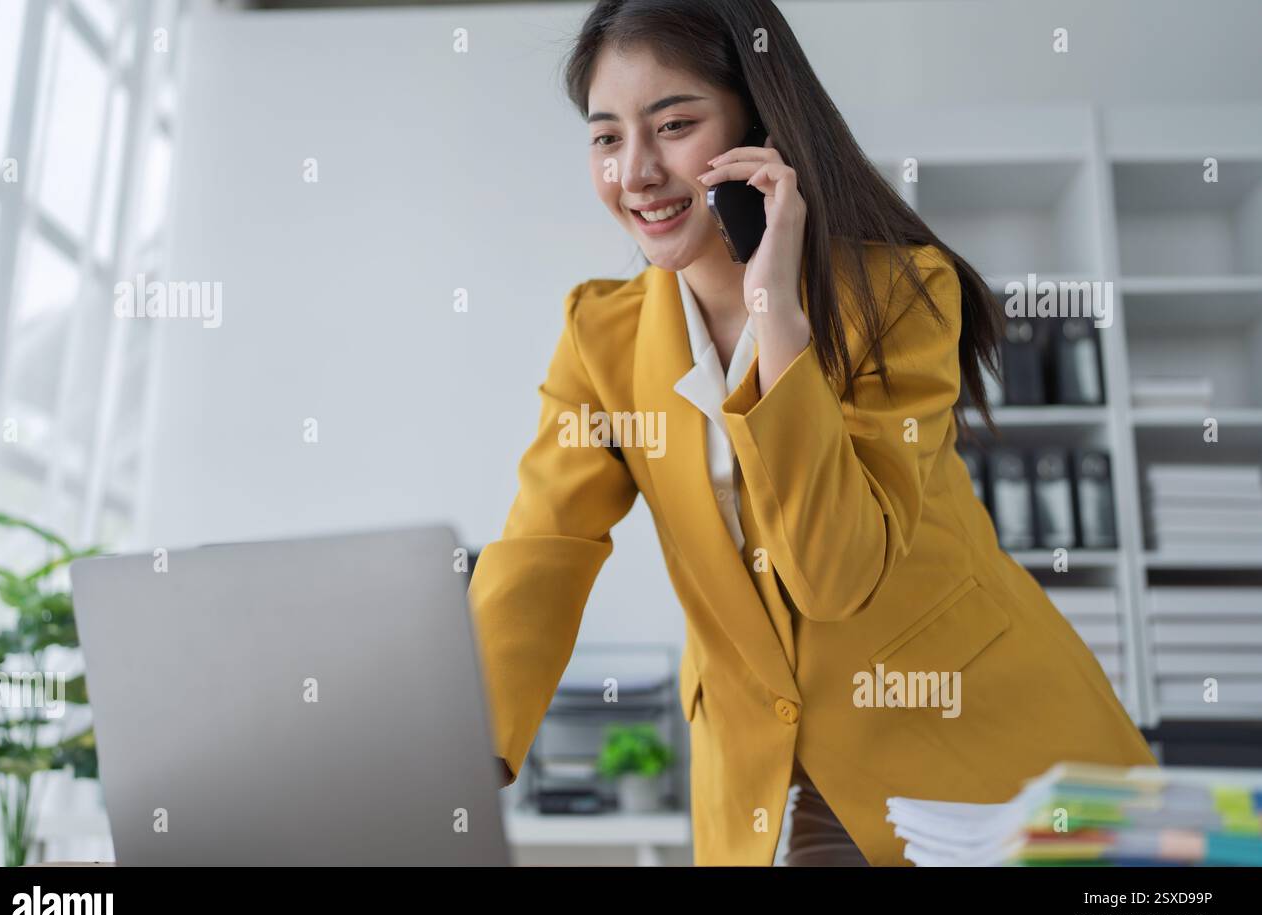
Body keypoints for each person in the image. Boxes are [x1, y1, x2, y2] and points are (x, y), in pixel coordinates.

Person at [469, 0, 1157, 866]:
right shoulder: (600, 337)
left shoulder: (903, 294)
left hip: (973, 765)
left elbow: (838, 572)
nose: (635, 172)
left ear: (759, 127)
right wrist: (469, 750)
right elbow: (547, 544)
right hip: (766, 785)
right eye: (607, 138)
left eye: (673, 125)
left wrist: (777, 315)